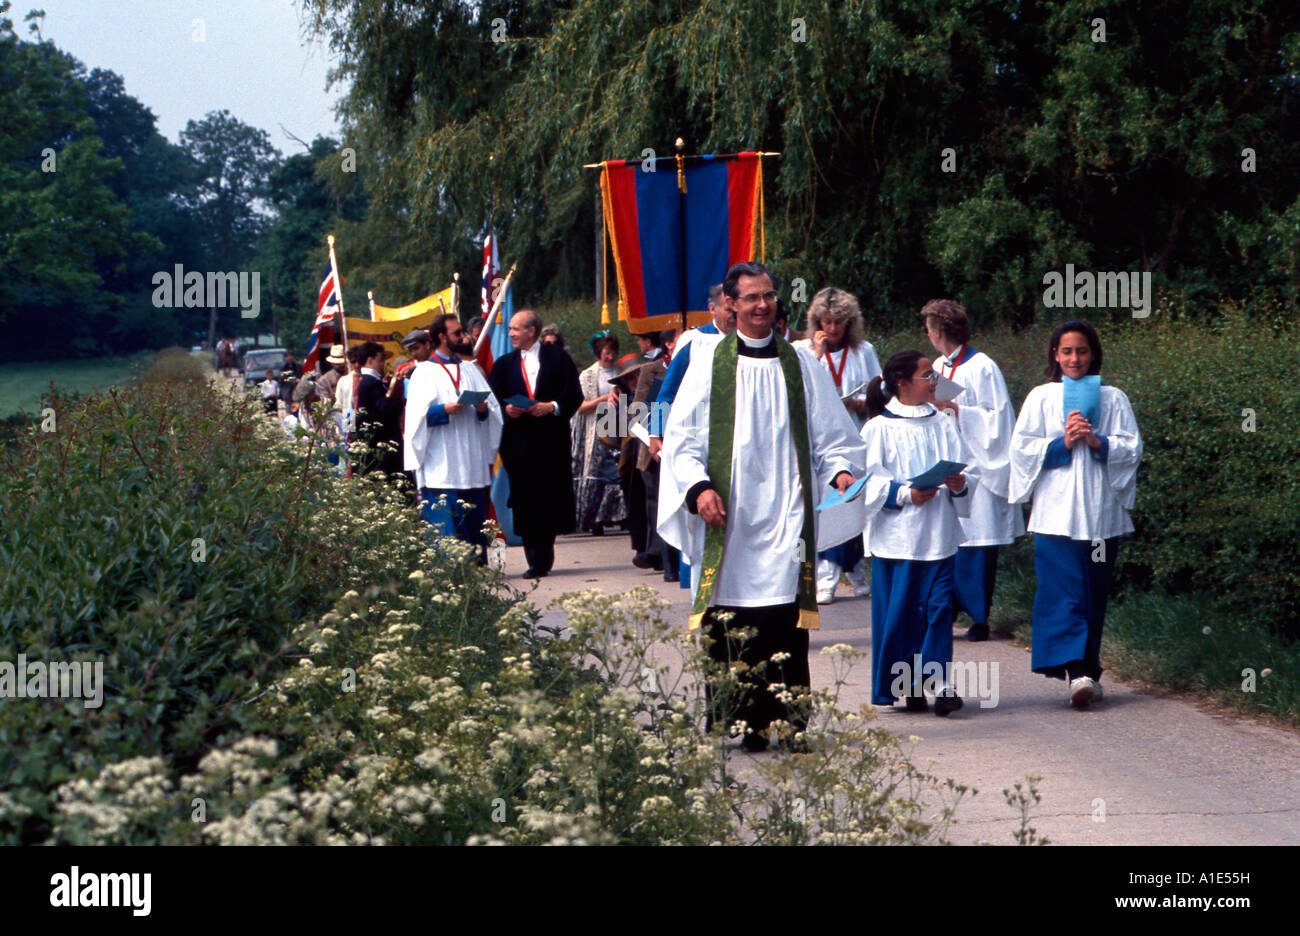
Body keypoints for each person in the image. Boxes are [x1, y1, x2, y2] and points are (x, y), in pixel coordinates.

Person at [658, 261, 866, 752]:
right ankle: (741, 721)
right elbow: (683, 440)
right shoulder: (709, 361)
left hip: (788, 509)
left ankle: (790, 721)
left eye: (768, 296)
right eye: (751, 298)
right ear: (730, 304)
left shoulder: (800, 364)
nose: (761, 305)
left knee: (785, 620)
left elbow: (834, 434)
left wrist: (838, 470)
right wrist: (698, 489)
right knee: (732, 620)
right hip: (729, 516)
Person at [1008, 320, 1142, 708]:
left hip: (1101, 514)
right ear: (1054, 354)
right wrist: (1061, 443)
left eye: (1081, 351)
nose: (1074, 358)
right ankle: (1075, 672)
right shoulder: (1041, 397)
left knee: (1093, 591)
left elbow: (1131, 447)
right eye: (1066, 351)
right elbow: (1021, 450)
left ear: (1093, 353)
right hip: (1056, 514)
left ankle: (1089, 669)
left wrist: (1097, 441)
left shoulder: (1113, 397)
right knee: (1063, 590)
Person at [859, 351, 978, 716]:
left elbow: (966, 468)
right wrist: (903, 494)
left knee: (939, 609)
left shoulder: (943, 422)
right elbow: (866, 484)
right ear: (901, 382)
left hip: (939, 534)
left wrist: (959, 483)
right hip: (899, 539)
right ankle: (908, 684)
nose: (934, 381)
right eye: (927, 375)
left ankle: (941, 685)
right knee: (904, 615)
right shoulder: (878, 428)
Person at [923, 299, 1025, 641]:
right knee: (951, 538)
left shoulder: (982, 366)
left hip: (980, 464)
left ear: (939, 331)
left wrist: (958, 409)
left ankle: (980, 617)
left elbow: (998, 417)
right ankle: (949, 609)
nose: (928, 334)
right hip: (952, 461)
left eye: (929, 327)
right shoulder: (938, 364)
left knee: (978, 540)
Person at [794, 287, 883, 604]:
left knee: (851, 505)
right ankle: (826, 579)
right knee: (829, 507)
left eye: (838, 323)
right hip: (821, 444)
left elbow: (879, 392)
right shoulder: (802, 350)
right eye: (826, 322)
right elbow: (803, 392)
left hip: (855, 436)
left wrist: (861, 404)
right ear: (815, 321)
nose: (832, 329)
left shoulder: (864, 351)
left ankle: (856, 571)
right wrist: (817, 357)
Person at [488, 309, 582, 578]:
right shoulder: (504, 364)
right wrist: (507, 408)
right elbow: (494, 398)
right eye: (510, 329)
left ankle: (544, 554)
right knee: (526, 500)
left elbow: (574, 394)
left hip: (550, 442)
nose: (511, 334)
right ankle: (535, 560)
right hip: (518, 444)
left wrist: (550, 406)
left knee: (548, 499)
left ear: (531, 330)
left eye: (515, 329)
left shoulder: (558, 358)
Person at [404, 313, 503, 562]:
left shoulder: (470, 369)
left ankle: (476, 578)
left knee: (473, 529)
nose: (463, 336)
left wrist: (482, 410)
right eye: (457, 333)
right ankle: (450, 577)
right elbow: (415, 418)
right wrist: (442, 410)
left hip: (470, 464)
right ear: (441, 337)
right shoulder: (424, 372)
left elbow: (494, 412)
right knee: (447, 533)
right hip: (442, 465)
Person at [572, 330, 628, 535]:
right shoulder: (587, 376)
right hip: (596, 429)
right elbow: (579, 407)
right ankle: (592, 518)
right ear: (598, 352)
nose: (610, 357)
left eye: (613, 352)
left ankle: (617, 515)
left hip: (618, 427)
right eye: (606, 353)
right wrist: (602, 400)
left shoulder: (621, 372)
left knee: (616, 471)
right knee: (597, 472)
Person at [353, 341, 404, 477]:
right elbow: (383, 408)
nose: (383, 364)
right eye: (380, 360)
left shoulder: (371, 381)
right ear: (370, 360)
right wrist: (401, 403)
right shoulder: (371, 382)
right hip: (380, 444)